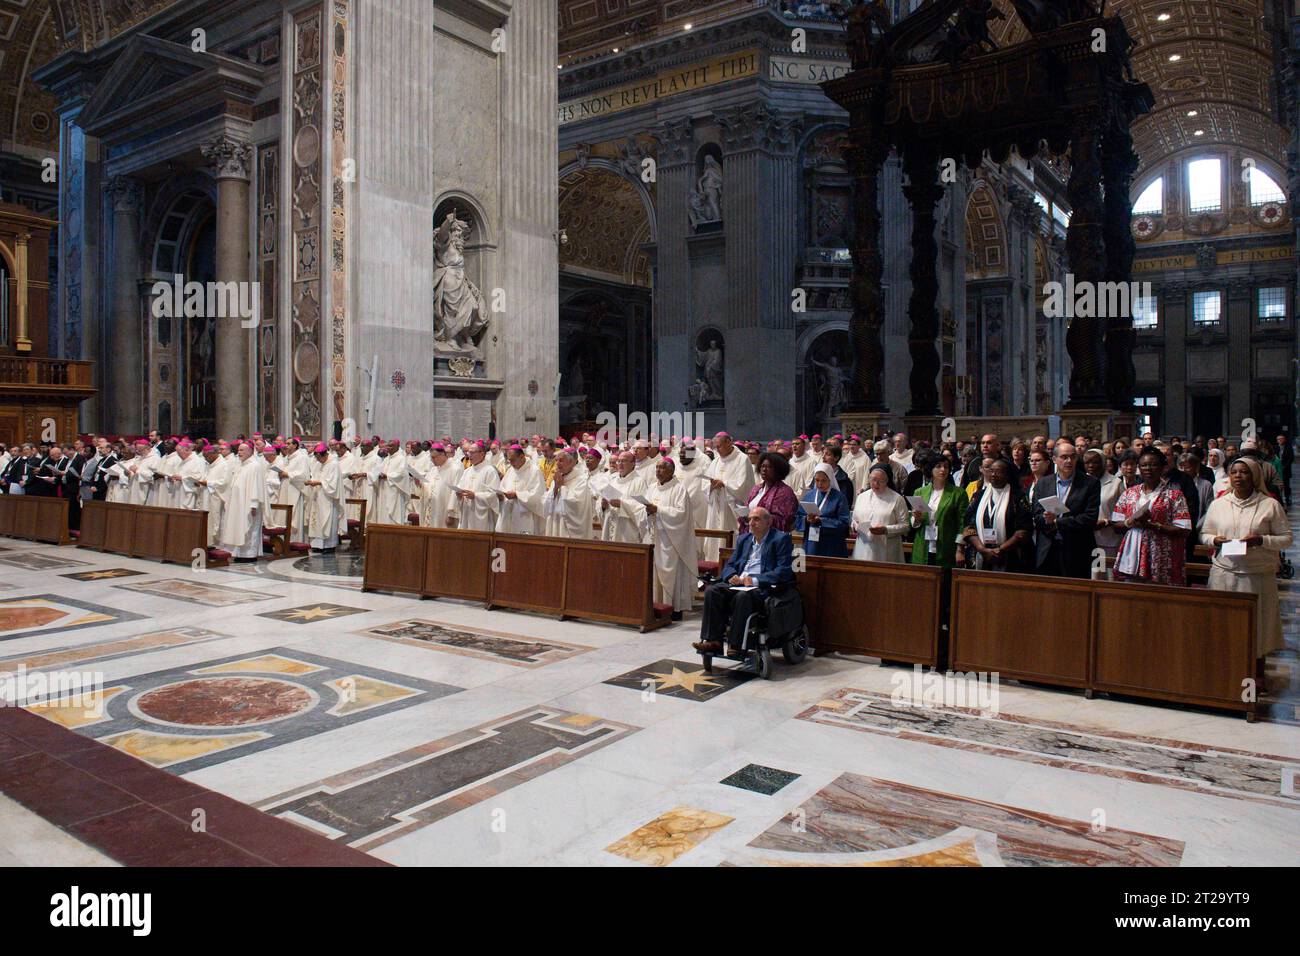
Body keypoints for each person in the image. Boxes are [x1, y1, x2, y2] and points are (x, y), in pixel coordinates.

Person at [1201, 457, 1293, 661]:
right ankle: (1226, 669)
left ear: (1255, 476)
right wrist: (1215, 540)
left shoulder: (1270, 504)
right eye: (1234, 472)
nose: (1238, 476)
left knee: (1256, 626)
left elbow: (1286, 538)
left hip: (1256, 575)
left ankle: (1255, 670)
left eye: (1244, 472)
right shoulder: (1219, 504)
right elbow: (1205, 533)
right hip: (1224, 573)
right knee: (1224, 624)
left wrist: (1260, 539)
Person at [693, 506, 794, 655]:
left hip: (761, 588)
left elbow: (783, 571)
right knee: (712, 591)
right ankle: (713, 641)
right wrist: (731, 575)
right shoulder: (744, 539)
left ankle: (736, 644)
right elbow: (730, 564)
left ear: (769, 522)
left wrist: (754, 580)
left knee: (743, 597)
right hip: (739, 583)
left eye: (756, 519)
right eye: (750, 519)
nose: (751, 523)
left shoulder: (780, 539)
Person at [1110, 448, 1193, 586]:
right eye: (1143, 465)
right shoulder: (1129, 493)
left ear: (1162, 468)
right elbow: (1116, 525)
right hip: (1133, 554)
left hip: (1161, 555)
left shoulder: (1174, 495)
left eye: (1153, 465)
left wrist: (1153, 525)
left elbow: (1184, 529)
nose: (1148, 469)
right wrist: (1130, 522)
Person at [1031, 441, 1100, 579]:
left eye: (1073, 457)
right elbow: (1036, 514)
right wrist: (1045, 518)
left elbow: (1090, 518)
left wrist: (1058, 522)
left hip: (1076, 549)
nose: (1069, 461)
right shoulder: (1043, 483)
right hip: (1048, 548)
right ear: (1054, 459)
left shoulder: (1090, 483)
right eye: (1064, 457)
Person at [640, 457, 696, 619]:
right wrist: (647, 511)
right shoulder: (651, 488)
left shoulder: (679, 489)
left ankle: (673, 609)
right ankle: (653, 605)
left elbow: (681, 514)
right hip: (652, 536)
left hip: (671, 540)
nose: (658, 471)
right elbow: (640, 510)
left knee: (671, 574)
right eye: (656, 468)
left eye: (662, 468)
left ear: (671, 471)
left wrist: (658, 509)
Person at [962, 458, 1033, 571]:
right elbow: (968, 525)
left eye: (998, 471)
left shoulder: (1017, 497)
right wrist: (981, 549)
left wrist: (1001, 549)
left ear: (1007, 474)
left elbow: (1024, 529)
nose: (993, 474)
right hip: (980, 553)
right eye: (991, 470)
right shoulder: (978, 496)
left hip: (1009, 555)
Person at [909, 455, 968, 570]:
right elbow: (913, 522)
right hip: (922, 544)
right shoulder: (919, 492)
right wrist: (916, 518)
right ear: (930, 470)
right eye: (938, 466)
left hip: (946, 545)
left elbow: (962, 523)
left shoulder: (958, 493)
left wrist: (960, 549)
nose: (943, 470)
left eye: (946, 467)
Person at [701, 432, 755, 559]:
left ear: (729, 443)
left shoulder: (742, 459)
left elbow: (743, 485)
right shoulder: (716, 461)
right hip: (715, 508)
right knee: (714, 540)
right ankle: (713, 566)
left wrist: (724, 483)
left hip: (732, 510)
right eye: (715, 447)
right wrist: (711, 485)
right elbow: (704, 485)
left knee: (731, 540)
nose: (717, 450)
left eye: (719, 446)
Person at [851, 463, 908, 563]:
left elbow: (905, 526)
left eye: (880, 481)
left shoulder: (897, 499)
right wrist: (855, 526)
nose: (876, 484)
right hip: (863, 548)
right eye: (873, 479)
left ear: (887, 481)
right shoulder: (861, 497)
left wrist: (886, 529)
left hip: (887, 549)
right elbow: (854, 519)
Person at [220, 443, 268, 562]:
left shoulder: (255, 466)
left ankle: (249, 555)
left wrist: (254, 504)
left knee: (250, 528)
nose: (239, 453)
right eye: (238, 450)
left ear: (250, 451)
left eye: (242, 450)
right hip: (239, 503)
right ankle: (239, 553)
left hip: (249, 504)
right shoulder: (241, 465)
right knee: (239, 528)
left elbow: (256, 486)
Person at [795, 463, 852, 558]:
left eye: (823, 481)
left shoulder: (839, 498)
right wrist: (806, 520)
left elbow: (844, 523)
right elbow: (797, 518)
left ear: (830, 479)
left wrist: (822, 521)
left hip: (831, 543)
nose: (819, 484)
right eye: (817, 480)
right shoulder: (809, 495)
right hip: (811, 542)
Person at [496, 443, 546, 535]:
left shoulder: (534, 471)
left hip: (525, 517)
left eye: (513, 460)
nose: (511, 463)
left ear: (522, 456)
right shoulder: (511, 470)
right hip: (509, 514)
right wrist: (501, 495)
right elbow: (503, 487)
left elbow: (537, 496)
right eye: (509, 461)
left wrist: (517, 495)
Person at [303, 442, 344, 551]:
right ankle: (317, 544)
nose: (318, 460)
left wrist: (318, 482)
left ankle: (329, 545)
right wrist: (311, 481)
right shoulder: (319, 463)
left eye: (318, 458)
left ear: (324, 455)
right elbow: (315, 476)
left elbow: (332, 484)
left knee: (327, 519)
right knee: (317, 519)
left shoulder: (333, 464)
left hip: (328, 497)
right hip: (318, 495)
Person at [744, 451, 799, 534]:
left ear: (778, 470)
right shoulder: (756, 489)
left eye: (769, 467)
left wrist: (761, 518)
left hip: (772, 538)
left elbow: (786, 521)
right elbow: (747, 508)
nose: (764, 470)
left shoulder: (785, 492)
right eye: (762, 466)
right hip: (752, 534)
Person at [597, 451, 646, 543]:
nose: (620, 464)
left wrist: (622, 504)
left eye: (624, 461)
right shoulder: (613, 481)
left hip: (627, 531)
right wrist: (603, 506)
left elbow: (642, 508)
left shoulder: (639, 482)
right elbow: (601, 507)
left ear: (633, 463)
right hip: (610, 525)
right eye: (618, 461)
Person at [543, 449, 593, 538]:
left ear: (571, 462)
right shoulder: (557, 479)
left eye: (561, 460)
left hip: (569, 532)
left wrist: (562, 487)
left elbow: (578, 506)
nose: (557, 463)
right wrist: (555, 488)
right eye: (556, 460)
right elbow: (546, 504)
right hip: (555, 524)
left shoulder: (580, 481)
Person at [1083, 448, 1124, 555]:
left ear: (1103, 463)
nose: (1091, 466)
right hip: (1085, 537)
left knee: (1104, 569)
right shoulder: (1081, 482)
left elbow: (1124, 512)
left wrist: (1106, 521)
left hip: (1108, 539)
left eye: (1095, 462)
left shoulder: (1116, 483)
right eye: (1087, 462)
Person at [454, 441, 501, 531]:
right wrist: (459, 495)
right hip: (467, 513)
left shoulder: (489, 470)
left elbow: (493, 495)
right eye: (468, 452)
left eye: (472, 452)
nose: (469, 455)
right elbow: (460, 487)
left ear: (482, 454)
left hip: (482, 516)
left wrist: (475, 496)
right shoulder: (467, 471)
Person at [1277, 433, 1293, 507]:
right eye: (1278, 439)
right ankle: (1278, 498)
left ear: (1284, 440)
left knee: (1286, 485)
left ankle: (1287, 498)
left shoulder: (1288, 447)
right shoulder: (1276, 448)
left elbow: (1290, 458)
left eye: (1281, 439)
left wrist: (1284, 466)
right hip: (1277, 469)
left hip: (1286, 469)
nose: (1280, 440)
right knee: (1277, 484)